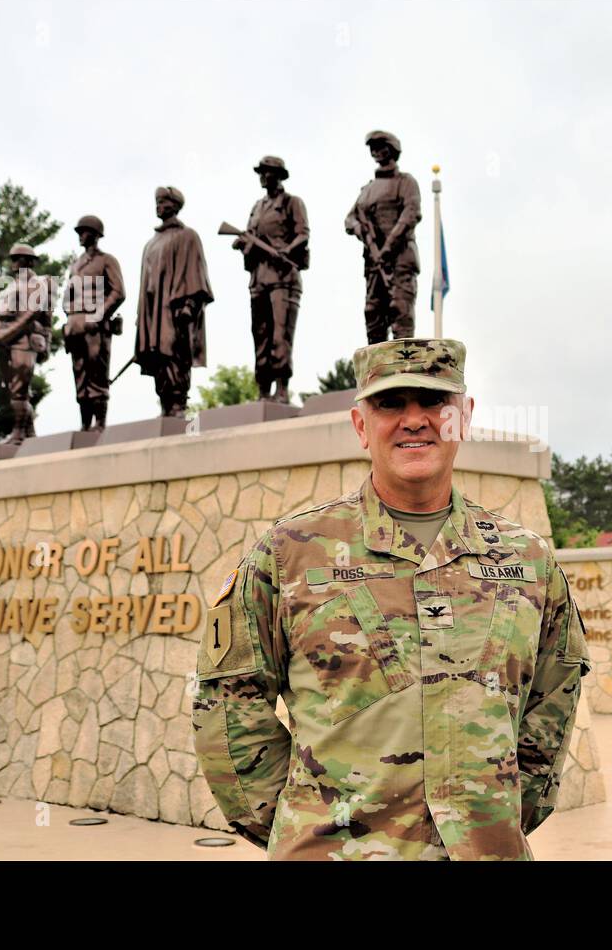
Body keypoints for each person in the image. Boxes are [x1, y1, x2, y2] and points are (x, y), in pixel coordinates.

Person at [193, 338, 590, 860]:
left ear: (463, 417)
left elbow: (553, 698)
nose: (414, 420)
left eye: (434, 402)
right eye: (390, 404)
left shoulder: (528, 561)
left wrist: (491, 818)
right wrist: (308, 827)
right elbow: (228, 707)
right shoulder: (289, 555)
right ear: (361, 424)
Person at [234, 156, 309, 404]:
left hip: (283, 279)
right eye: (261, 173)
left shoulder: (291, 203)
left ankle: (282, 388)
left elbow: (303, 234)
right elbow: (248, 237)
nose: (263, 177)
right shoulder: (257, 207)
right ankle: (263, 389)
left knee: (280, 335)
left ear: (278, 175)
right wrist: (242, 243)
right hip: (259, 279)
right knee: (261, 335)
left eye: (267, 172)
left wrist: (287, 251)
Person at [135, 186, 213, 417]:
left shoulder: (186, 235)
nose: (158, 206)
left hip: (176, 308)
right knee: (157, 354)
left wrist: (189, 304)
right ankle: (164, 404)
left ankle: (178, 402)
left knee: (175, 352)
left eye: (163, 201)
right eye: (156, 201)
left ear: (175, 205)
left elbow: (195, 271)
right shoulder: (151, 243)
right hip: (153, 312)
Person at [344, 130, 421, 343]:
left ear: (393, 150)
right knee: (373, 313)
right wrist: (359, 229)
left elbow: (410, 215)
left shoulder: (405, 182)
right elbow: (350, 219)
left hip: (399, 259)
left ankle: (402, 371)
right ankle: (377, 372)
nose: (376, 151)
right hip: (373, 263)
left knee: (400, 312)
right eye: (373, 148)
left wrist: (386, 249)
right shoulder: (367, 189)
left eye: (381, 147)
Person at [62, 214, 124, 431]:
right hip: (75, 325)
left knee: (97, 373)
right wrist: (69, 317)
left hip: (95, 327)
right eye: (79, 232)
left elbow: (118, 292)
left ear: (96, 235)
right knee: (80, 373)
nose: (80, 236)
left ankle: (100, 423)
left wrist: (97, 316)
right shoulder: (75, 265)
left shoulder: (107, 261)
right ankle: (85, 423)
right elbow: (67, 296)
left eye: (84, 231)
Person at [0, 243, 56, 444]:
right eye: (12, 258)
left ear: (28, 262)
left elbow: (31, 315)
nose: (13, 263)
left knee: (19, 388)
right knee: (14, 389)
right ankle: (29, 431)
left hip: (25, 340)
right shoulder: (8, 286)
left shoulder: (38, 285)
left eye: (17, 258)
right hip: (5, 343)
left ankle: (18, 433)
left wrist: (7, 334)